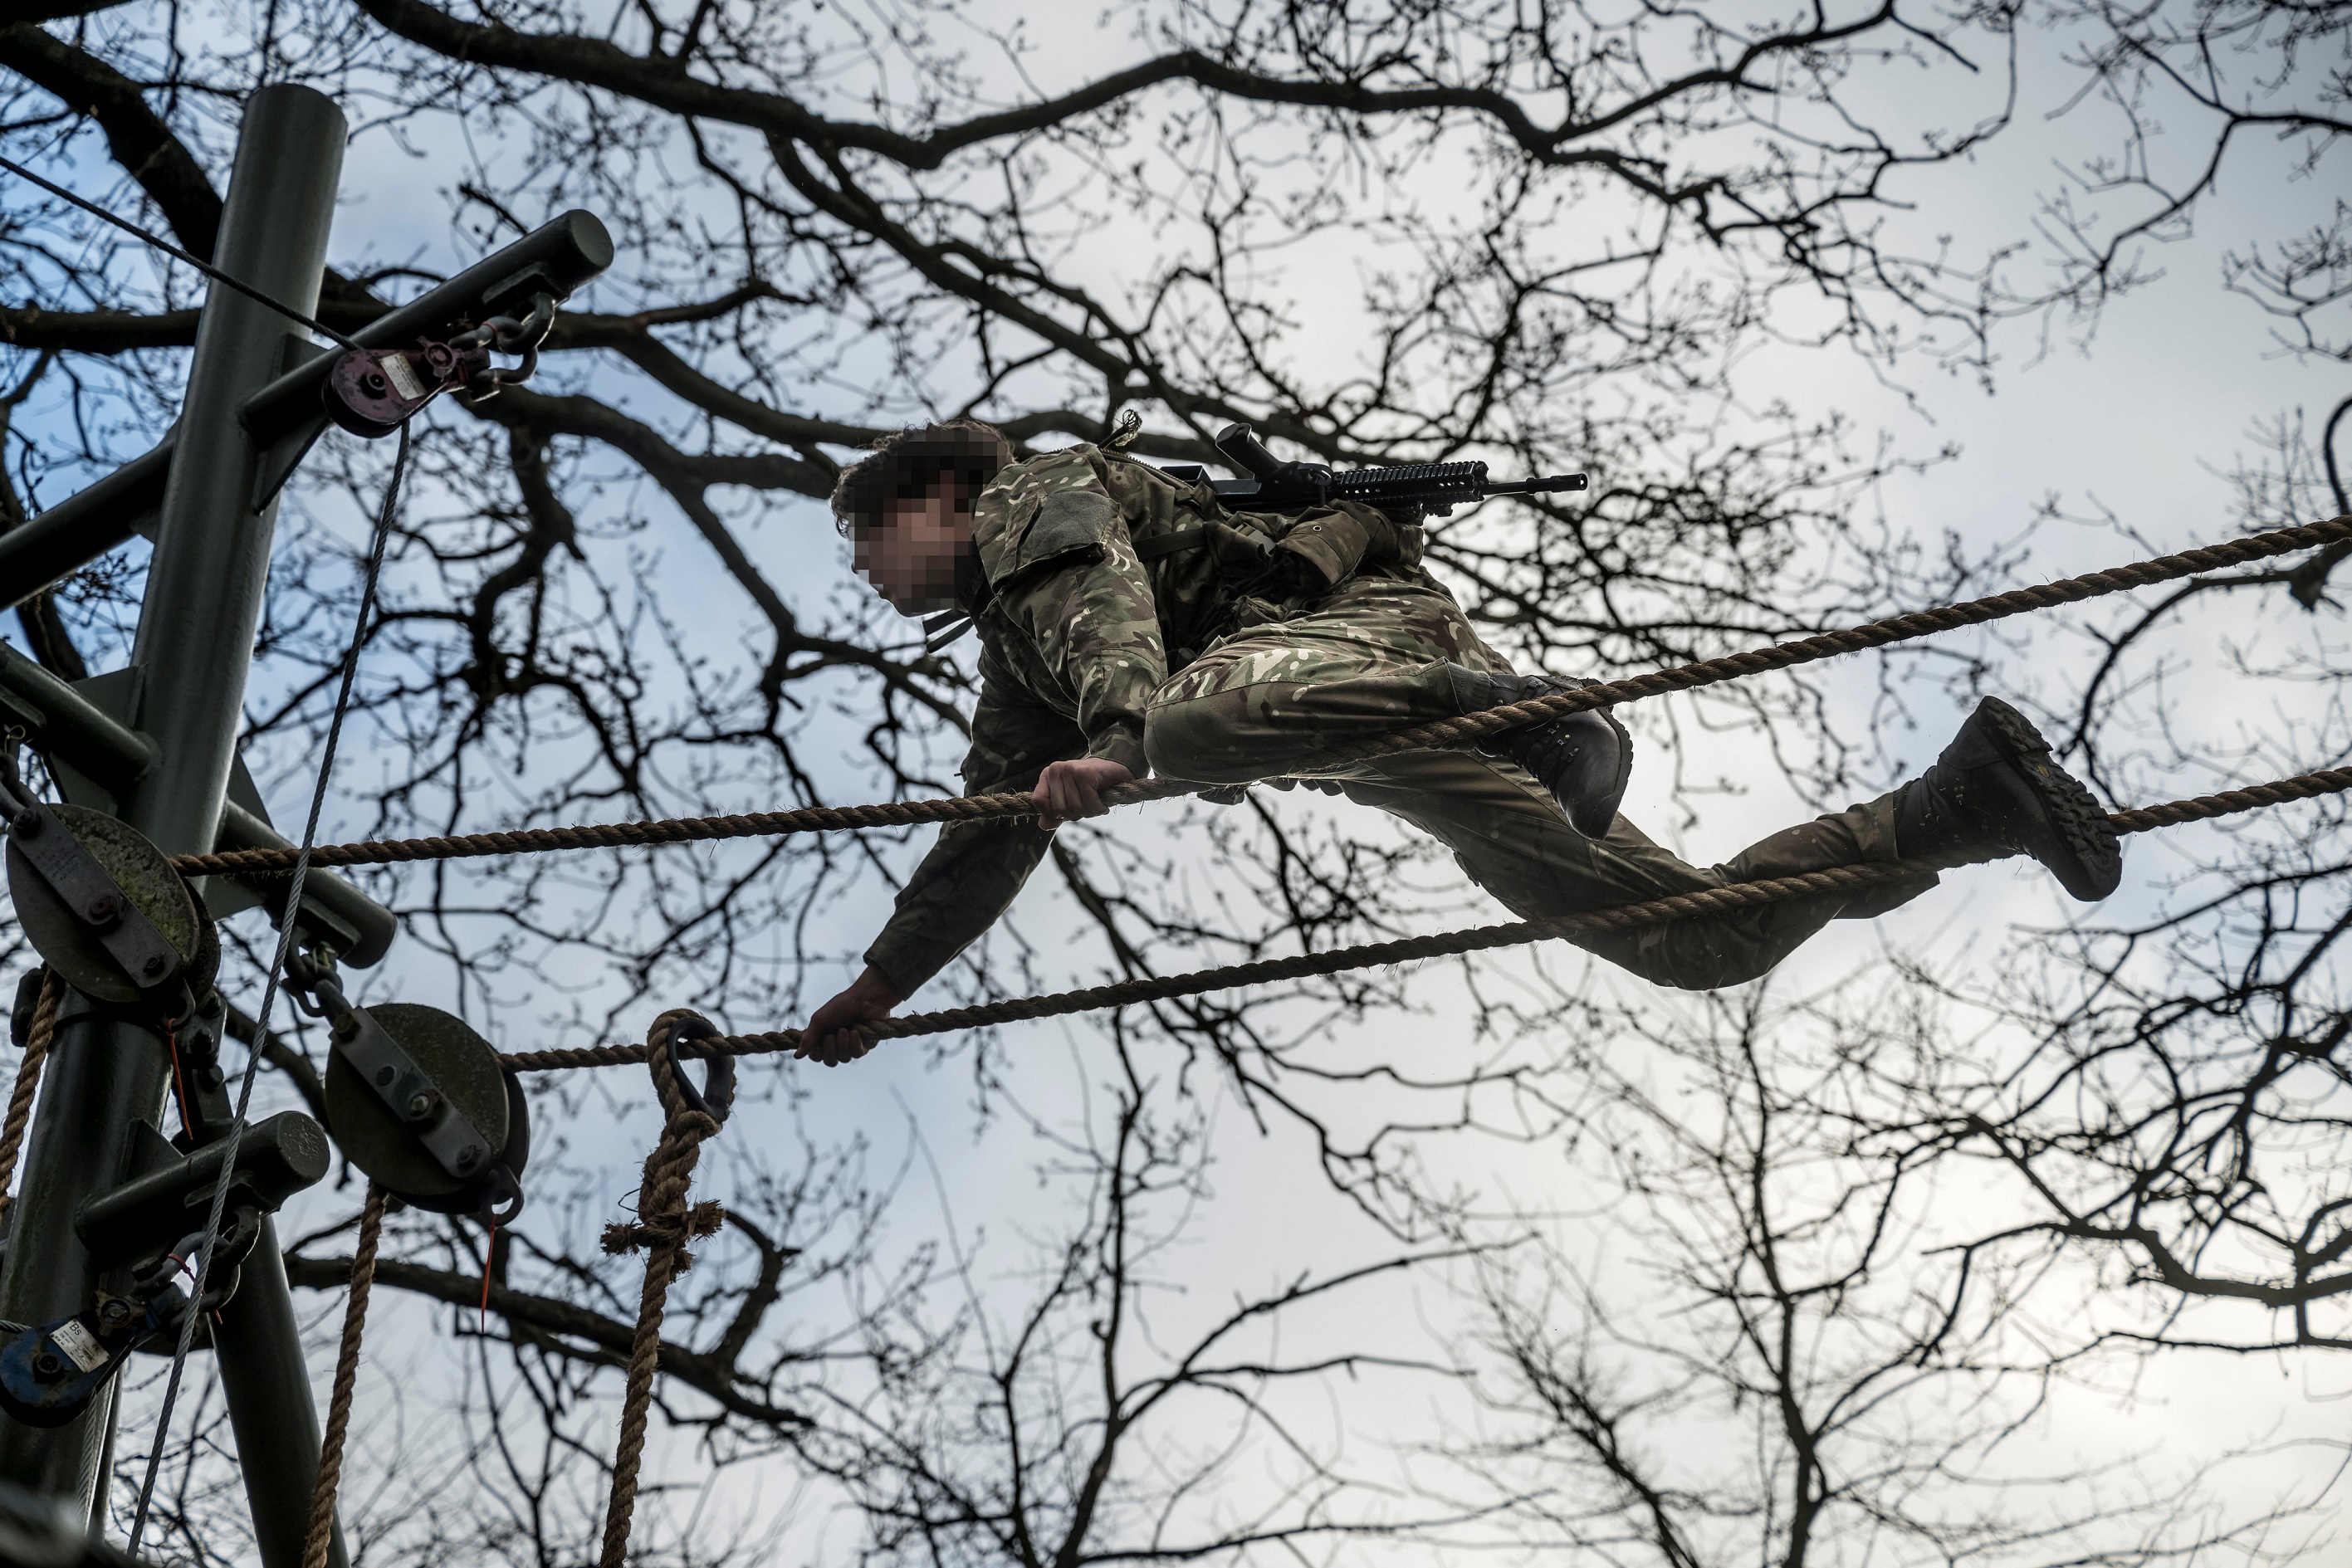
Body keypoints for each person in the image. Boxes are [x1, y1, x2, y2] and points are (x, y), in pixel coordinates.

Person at [798, 420, 2121, 1064]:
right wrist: (886, 983)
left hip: (1351, 651)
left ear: (940, 495)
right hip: (1370, 719)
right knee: (1692, 939)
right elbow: (995, 822)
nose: (864, 572)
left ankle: (1541, 718)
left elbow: (1095, 591)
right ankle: (1953, 805)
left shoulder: (1034, 494)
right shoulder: (1019, 656)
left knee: (1186, 732)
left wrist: (1124, 734)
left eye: (869, 539)